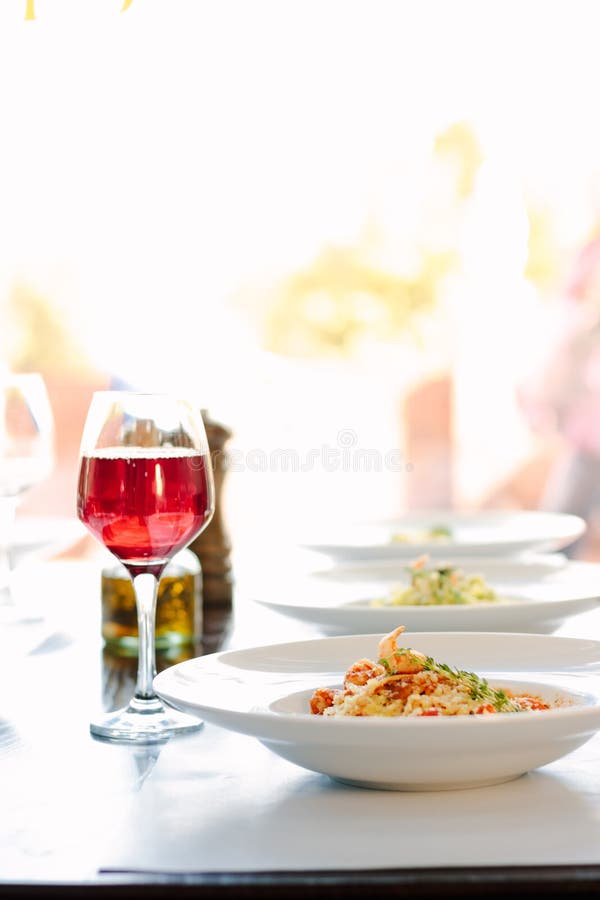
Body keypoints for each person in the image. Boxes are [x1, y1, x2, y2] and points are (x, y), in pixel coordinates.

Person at [518, 233, 600, 557]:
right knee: (560, 535)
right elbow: (556, 361)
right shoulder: (579, 321)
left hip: (587, 438)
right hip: (587, 441)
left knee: (562, 531)